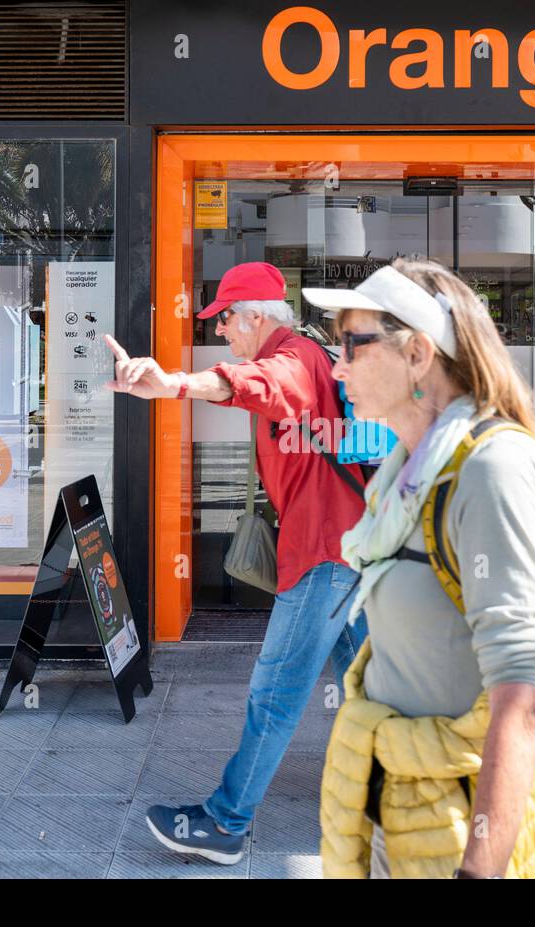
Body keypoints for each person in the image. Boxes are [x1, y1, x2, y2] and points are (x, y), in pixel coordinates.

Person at [305, 257, 535, 879]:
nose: (337, 367)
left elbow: (520, 699)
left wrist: (479, 869)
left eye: (352, 346)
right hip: (410, 815)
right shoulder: (409, 474)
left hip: (463, 834)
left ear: (417, 354)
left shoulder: (491, 469)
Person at [105, 261, 368, 865]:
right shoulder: (314, 355)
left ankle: (225, 823)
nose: (220, 330)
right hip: (353, 545)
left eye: (224, 318)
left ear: (254, 316)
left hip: (325, 553)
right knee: (370, 686)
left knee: (275, 693)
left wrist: (171, 384)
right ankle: (405, 791)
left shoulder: (293, 359)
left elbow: (249, 383)